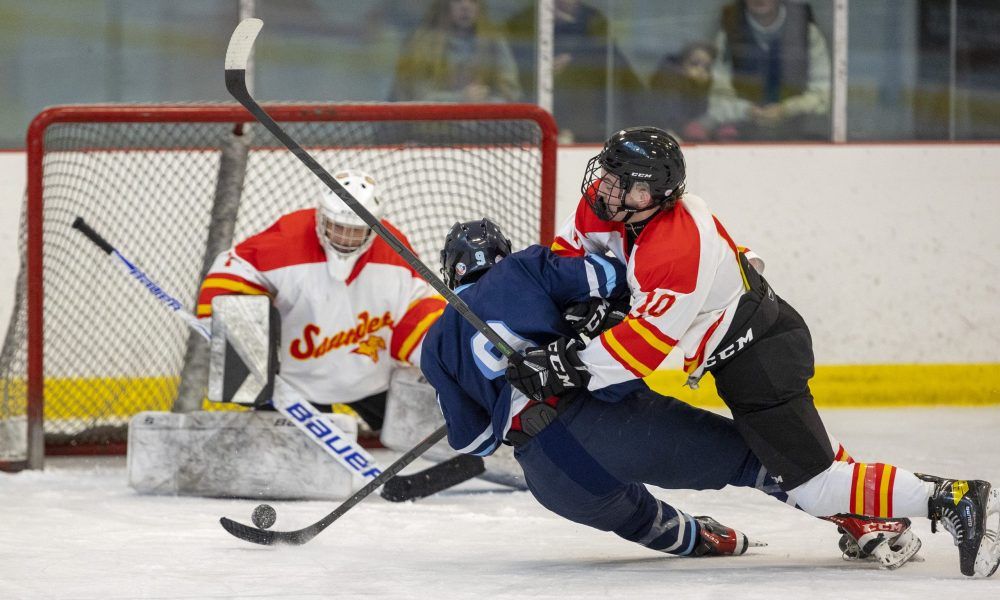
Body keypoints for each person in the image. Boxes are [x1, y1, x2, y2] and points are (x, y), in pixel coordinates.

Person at [506, 125, 1000, 577]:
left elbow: (638, 353)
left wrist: (563, 366)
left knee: (812, 481)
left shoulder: (675, 251)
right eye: (608, 175)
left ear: (654, 196)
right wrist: (581, 310)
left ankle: (948, 496)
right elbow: (574, 253)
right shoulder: (610, 203)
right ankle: (871, 523)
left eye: (623, 184)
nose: (606, 189)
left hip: (759, 356)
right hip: (744, 347)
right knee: (798, 453)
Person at [196, 169, 445, 434]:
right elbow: (234, 269)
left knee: (429, 435)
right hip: (296, 382)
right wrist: (231, 323)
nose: (344, 239)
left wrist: (439, 359)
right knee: (291, 464)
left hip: (372, 377)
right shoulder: (287, 239)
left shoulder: (394, 250)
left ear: (375, 228)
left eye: (356, 231)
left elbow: (419, 303)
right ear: (321, 216)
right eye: (337, 227)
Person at [505, 0, 645, 143]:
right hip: (542, 99)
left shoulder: (594, 18)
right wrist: (542, 66)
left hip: (589, 107)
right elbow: (516, 67)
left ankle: (644, 122)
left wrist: (575, 56)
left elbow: (612, 59)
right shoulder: (523, 20)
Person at [707, 0, 831, 140]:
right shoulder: (728, 35)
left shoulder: (808, 33)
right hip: (741, 135)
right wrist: (746, 111)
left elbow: (823, 95)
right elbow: (716, 99)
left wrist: (788, 109)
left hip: (800, 135)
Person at [390, 0, 521, 103]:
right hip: (430, 131)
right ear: (445, 5)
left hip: (484, 130)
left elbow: (510, 93)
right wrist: (460, 99)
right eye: (457, 0)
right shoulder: (421, 42)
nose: (465, 6)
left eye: (473, 0)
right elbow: (415, 97)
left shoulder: (494, 42)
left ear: (480, 7)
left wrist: (484, 101)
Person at [647, 41, 718, 142]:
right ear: (680, 66)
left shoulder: (702, 91)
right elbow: (667, 122)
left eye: (707, 67)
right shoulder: (668, 88)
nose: (700, 71)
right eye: (694, 64)